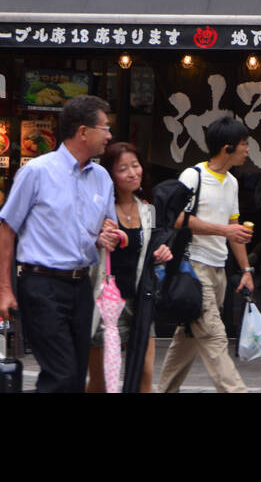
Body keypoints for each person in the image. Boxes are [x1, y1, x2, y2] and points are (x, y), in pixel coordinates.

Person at [0, 95, 121, 393]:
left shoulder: (102, 177)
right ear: (83, 131)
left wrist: (109, 232)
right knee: (60, 374)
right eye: (104, 127)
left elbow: (110, 224)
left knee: (76, 377)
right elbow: (7, 230)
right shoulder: (37, 171)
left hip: (81, 286)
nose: (109, 135)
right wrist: (4, 289)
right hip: (41, 285)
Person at [157, 115, 255, 393]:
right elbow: (176, 218)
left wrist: (246, 270)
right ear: (227, 148)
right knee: (214, 337)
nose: (247, 149)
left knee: (187, 338)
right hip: (193, 269)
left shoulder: (232, 183)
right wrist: (224, 231)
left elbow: (233, 228)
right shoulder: (193, 176)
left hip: (218, 270)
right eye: (244, 144)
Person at [87, 143, 173, 393]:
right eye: (123, 168)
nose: (132, 173)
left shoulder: (148, 209)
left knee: (145, 374)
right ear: (110, 175)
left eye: (135, 166)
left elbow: (154, 250)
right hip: (105, 302)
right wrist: (98, 239)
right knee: (101, 381)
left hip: (140, 299)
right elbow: (81, 246)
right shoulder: (100, 209)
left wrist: (163, 254)